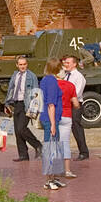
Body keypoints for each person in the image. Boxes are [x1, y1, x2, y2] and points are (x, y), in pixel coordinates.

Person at [4, 55, 41, 161]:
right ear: (17, 65)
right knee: (17, 130)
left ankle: (38, 145)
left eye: (24, 64)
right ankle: (23, 155)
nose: (22, 66)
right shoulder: (15, 75)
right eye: (20, 64)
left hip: (27, 105)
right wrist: (7, 103)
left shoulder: (31, 76)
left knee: (22, 128)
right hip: (16, 104)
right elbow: (11, 89)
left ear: (27, 64)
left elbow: (35, 92)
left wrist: (34, 108)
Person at [38, 58, 66, 190]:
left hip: (50, 119)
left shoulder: (45, 79)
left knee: (55, 148)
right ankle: (49, 179)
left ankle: (54, 177)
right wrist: (53, 124)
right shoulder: (52, 81)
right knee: (51, 149)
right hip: (50, 120)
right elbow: (51, 104)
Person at [61, 53, 89, 160]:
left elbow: (76, 93)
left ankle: (84, 152)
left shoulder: (78, 77)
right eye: (65, 62)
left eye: (68, 63)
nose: (66, 64)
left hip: (75, 105)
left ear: (74, 64)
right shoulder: (65, 75)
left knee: (76, 127)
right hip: (65, 104)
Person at [54, 63, 78, 179]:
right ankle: (67, 170)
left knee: (54, 143)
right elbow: (76, 103)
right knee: (65, 143)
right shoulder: (70, 85)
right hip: (67, 116)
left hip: (54, 116)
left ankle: (55, 169)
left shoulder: (52, 86)